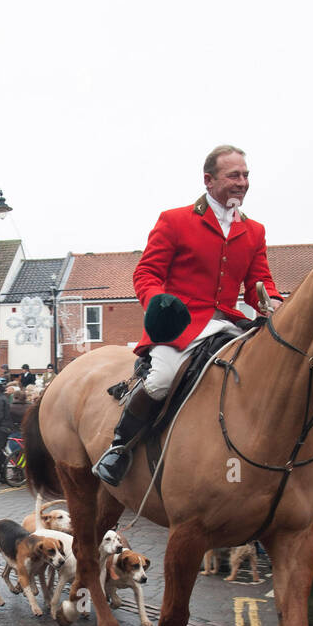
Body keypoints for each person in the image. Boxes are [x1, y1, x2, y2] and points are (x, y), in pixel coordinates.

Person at [94, 144, 282, 486]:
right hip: (181, 326)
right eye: (233, 175)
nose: (242, 182)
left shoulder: (254, 231)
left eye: (246, 175)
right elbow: (146, 274)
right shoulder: (175, 220)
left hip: (228, 324)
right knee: (161, 380)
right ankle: (119, 448)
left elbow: (259, 282)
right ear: (209, 180)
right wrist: (160, 304)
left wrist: (275, 304)